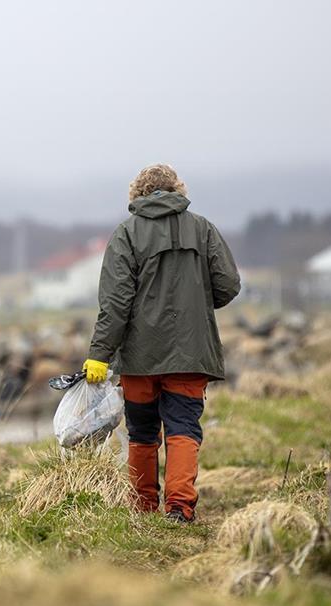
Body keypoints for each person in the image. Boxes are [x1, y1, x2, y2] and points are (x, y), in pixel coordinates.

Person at [82, 164, 240, 523]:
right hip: (191, 354)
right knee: (183, 427)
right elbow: (229, 285)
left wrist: (99, 355)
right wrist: (195, 306)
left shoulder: (126, 234)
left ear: (137, 194)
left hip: (139, 357)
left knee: (141, 431)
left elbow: (116, 303)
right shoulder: (203, 229)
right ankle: (180, 508)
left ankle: (143, 506)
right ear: (177, 191)